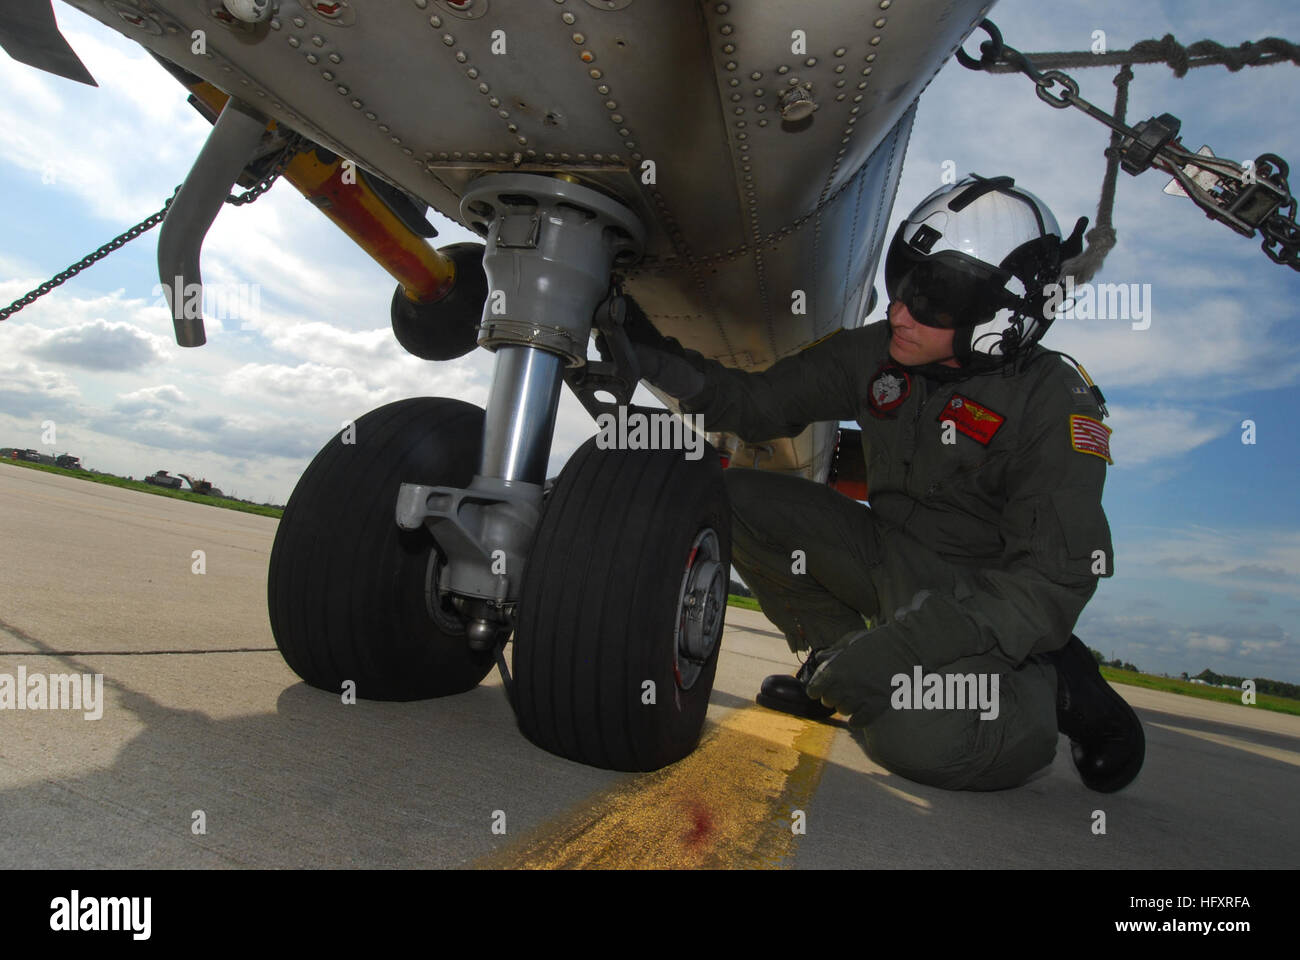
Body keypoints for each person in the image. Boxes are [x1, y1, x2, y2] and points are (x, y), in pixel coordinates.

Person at [626, 174, 1145, 792]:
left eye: (933, 300)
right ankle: (835, 662)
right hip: (889, 556)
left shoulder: (1054, 401)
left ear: (1000, 318)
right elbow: (756, 403)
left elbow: (1052, 579)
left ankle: (1058, 681)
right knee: (738, 497)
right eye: (902, 282)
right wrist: (650, 350)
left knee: (924, 741)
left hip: (981, 600)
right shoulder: (881, 351)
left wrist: (900, 652)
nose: (897, 310)